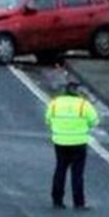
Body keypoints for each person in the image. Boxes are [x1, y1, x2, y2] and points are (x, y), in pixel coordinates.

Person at [45, 81, 98, 209]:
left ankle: (57, 200)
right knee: (77, 173)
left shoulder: (55, 103)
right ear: (77, 91)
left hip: (60, 141)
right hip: (78, 142)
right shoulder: (83, 105)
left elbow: (48, 120)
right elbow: (94, 121)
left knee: (60, 169)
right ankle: (78, 203)